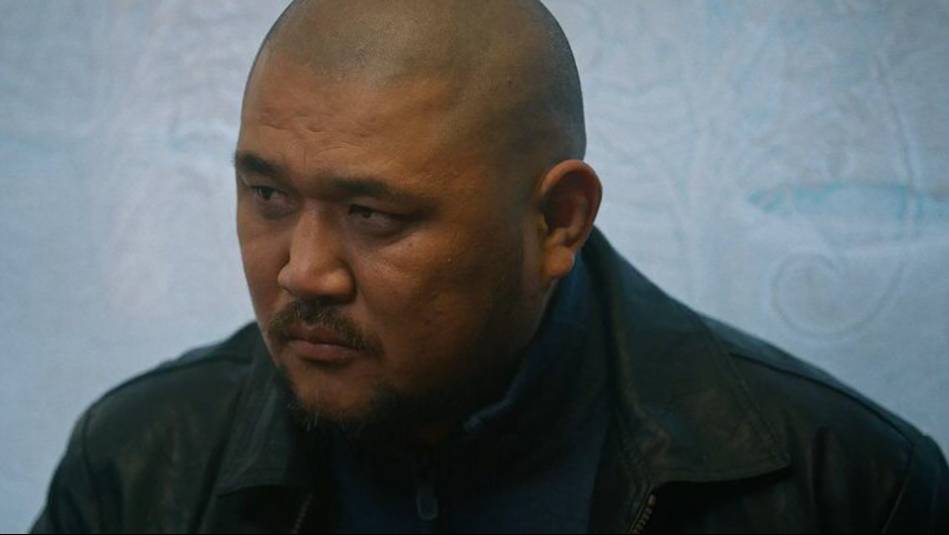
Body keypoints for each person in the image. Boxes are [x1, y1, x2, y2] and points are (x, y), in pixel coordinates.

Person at [32, 1, 948, 532]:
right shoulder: (135, 465)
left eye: (373, 215)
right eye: (268, 195)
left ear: (557, 221)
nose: (304, 273)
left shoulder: (845, 485)